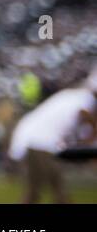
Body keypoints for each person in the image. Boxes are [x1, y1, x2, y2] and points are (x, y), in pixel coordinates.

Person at [7, 68, 97, 204]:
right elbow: (87, 119)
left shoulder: (71, 95)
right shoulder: (85, 98)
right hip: (41, 143)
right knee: (56, 191)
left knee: (36, 192)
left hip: (34, 141)